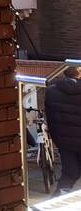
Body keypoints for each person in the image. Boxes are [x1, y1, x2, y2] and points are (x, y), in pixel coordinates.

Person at [43, 65, 81, 194]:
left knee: (70, 174)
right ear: (79, 72)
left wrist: (57, 139)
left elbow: (50, 117)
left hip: (64, 142)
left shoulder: (51, 91)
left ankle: (58, 199)